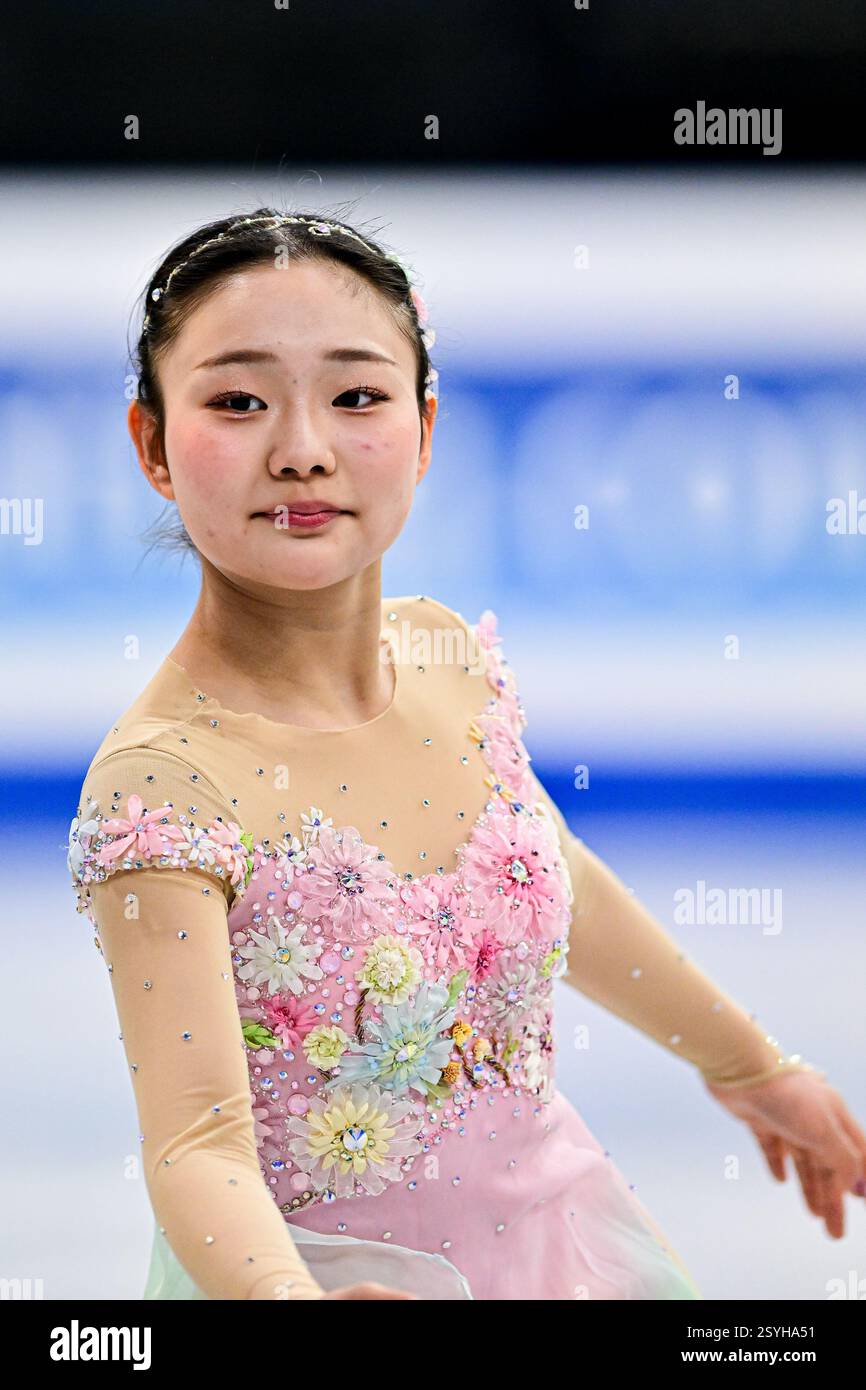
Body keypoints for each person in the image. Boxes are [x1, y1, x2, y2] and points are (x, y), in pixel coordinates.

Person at [66, 207, 866, 1301]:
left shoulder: (446, 655)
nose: (301, 449)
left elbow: (545, 870)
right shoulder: (163, 786)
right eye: (238, 401)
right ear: (152, 444)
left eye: (355, 397)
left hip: (568, 1252)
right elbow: (198, 1144)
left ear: (425, 427)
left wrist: (748, 1064)